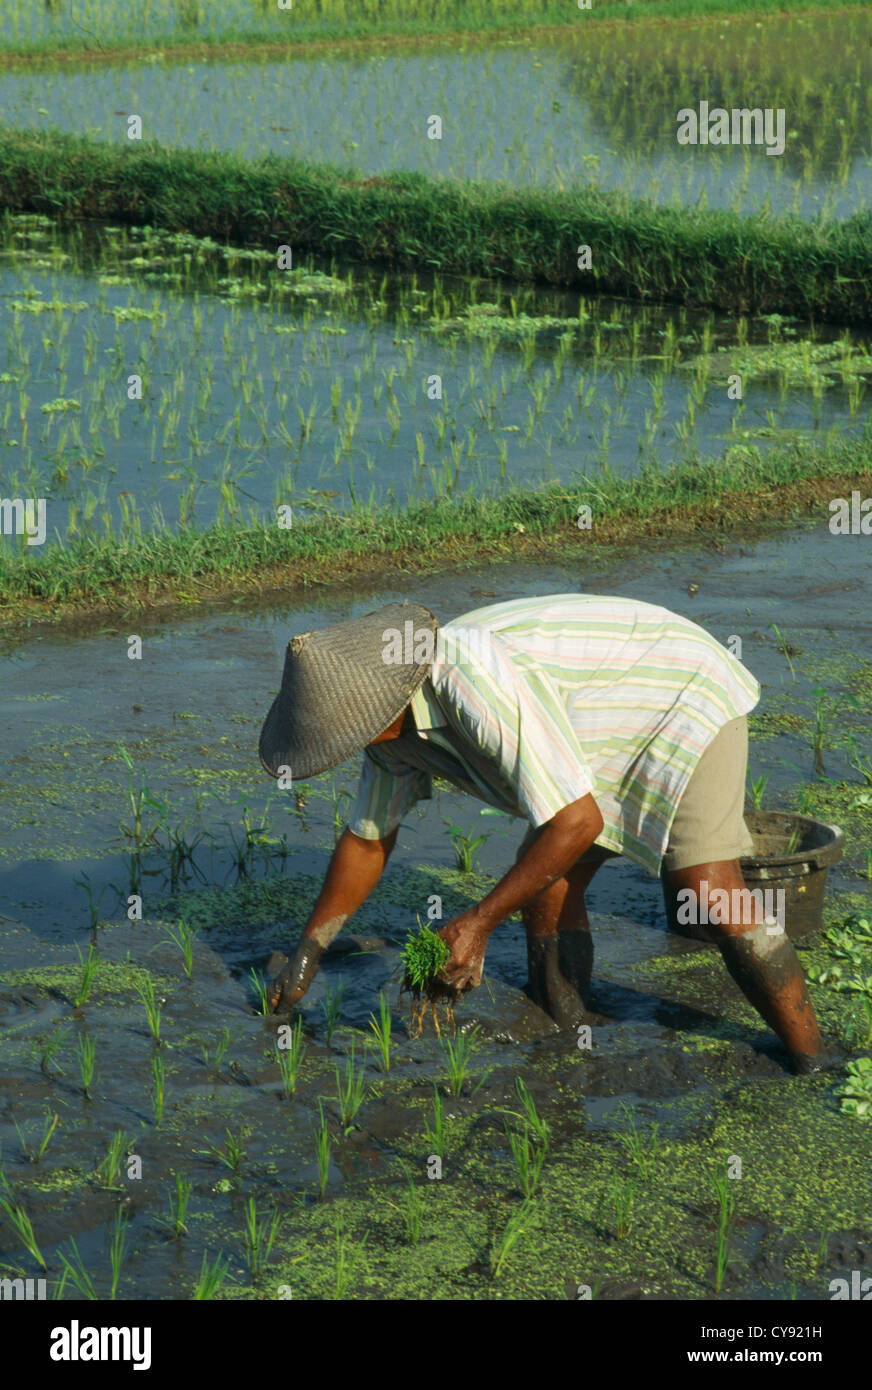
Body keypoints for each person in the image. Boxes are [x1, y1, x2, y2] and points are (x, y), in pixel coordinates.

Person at [259, 593, 830, 1074]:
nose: (339, 752)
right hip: (592, 727)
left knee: (708, 889)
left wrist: (478, 923)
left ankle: (813, 1059)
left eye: (337, 739)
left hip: (677, 691)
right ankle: (572, 1031)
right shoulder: (388, 739)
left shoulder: (470, 683)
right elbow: (367, 841)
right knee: (548, 887)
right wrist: (309, 951)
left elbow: (578, 820)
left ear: (373, 709)